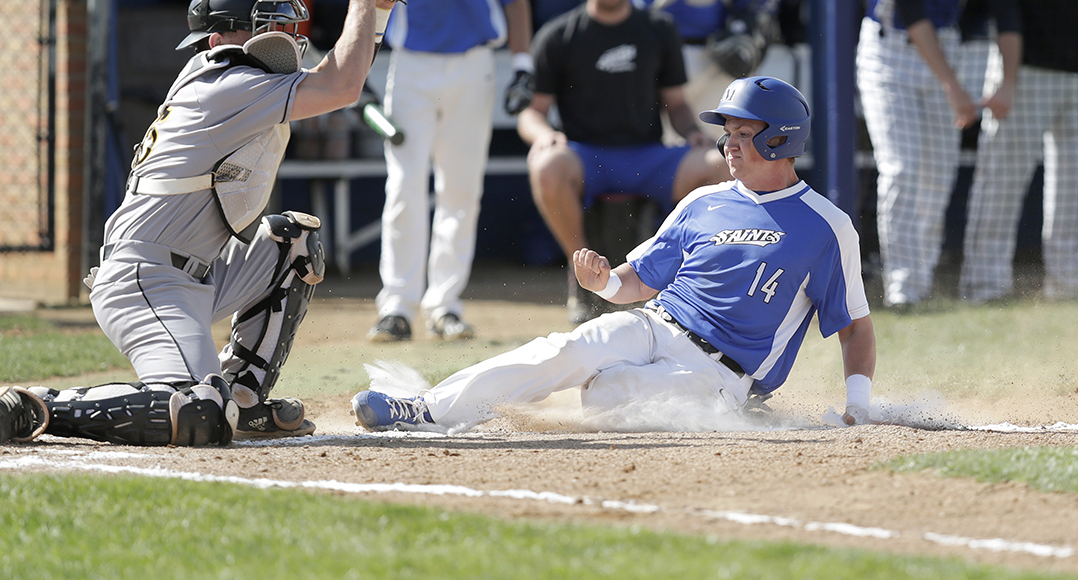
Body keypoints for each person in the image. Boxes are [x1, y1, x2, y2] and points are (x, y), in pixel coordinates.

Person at [351, 76, 878, 433]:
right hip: (654, 324)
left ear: (781, 141)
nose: (729, 146)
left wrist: (857, 407)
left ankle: (741, 414)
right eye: (728, 135)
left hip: (720, 374)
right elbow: (638, 281)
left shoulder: (828, 227)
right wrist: (603, 283)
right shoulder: (703, 202)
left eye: (744, 135)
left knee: (607, 393)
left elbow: (854, 326)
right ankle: (424, 409)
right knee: (566, 350)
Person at [1, 0, 392, 447]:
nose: (279, 30)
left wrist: (375, 14)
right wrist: (366, 7)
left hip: (197, 273)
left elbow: (342, 76)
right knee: (199, 412)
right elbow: (342, 84)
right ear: (217, 39)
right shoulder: (226, 83)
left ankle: (245, 399)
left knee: (293, 241)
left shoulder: (236, 81)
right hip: (145, 281)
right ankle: (34, 406)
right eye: (258, 24)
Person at [518, 0, 729, 323]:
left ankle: (691, 278)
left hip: (649, 158)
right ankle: (582, 277)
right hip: (586, 157)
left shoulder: (659, 28)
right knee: (547, 164)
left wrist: (692, 132)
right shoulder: (558, 34)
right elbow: (532, 112)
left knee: (720, 164)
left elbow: (677, 103)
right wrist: (543, 134)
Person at [365, 0, 535, 343]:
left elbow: (516, 3)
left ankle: (445, 305)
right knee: (402, 186)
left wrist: (522, 64)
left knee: (462, 189)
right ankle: (397, 306)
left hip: (474, 64)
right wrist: (359, 68)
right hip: (411, 64)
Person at [856, 0, 1018, 308]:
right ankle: (903, 290)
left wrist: (1007, 80)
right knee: (901, 169)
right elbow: (911, 11)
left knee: (937, 176)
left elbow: (1005, 11)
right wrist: (953, 87)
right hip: (889, 51)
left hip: (946, 47)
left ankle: (921, 279)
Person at [959, 0, 1078, 303]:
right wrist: (1008, 78)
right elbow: (1004, 8)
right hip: (1024, 70)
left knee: (1076, 188)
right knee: (1001, 184)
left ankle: (1071, 285)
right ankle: (985, 286)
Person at [640, 0, 782, 142]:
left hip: (722, 55)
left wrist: (743, 27)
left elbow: (756, 8)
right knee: (669, 142)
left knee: (725, 140)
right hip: (666, 50)